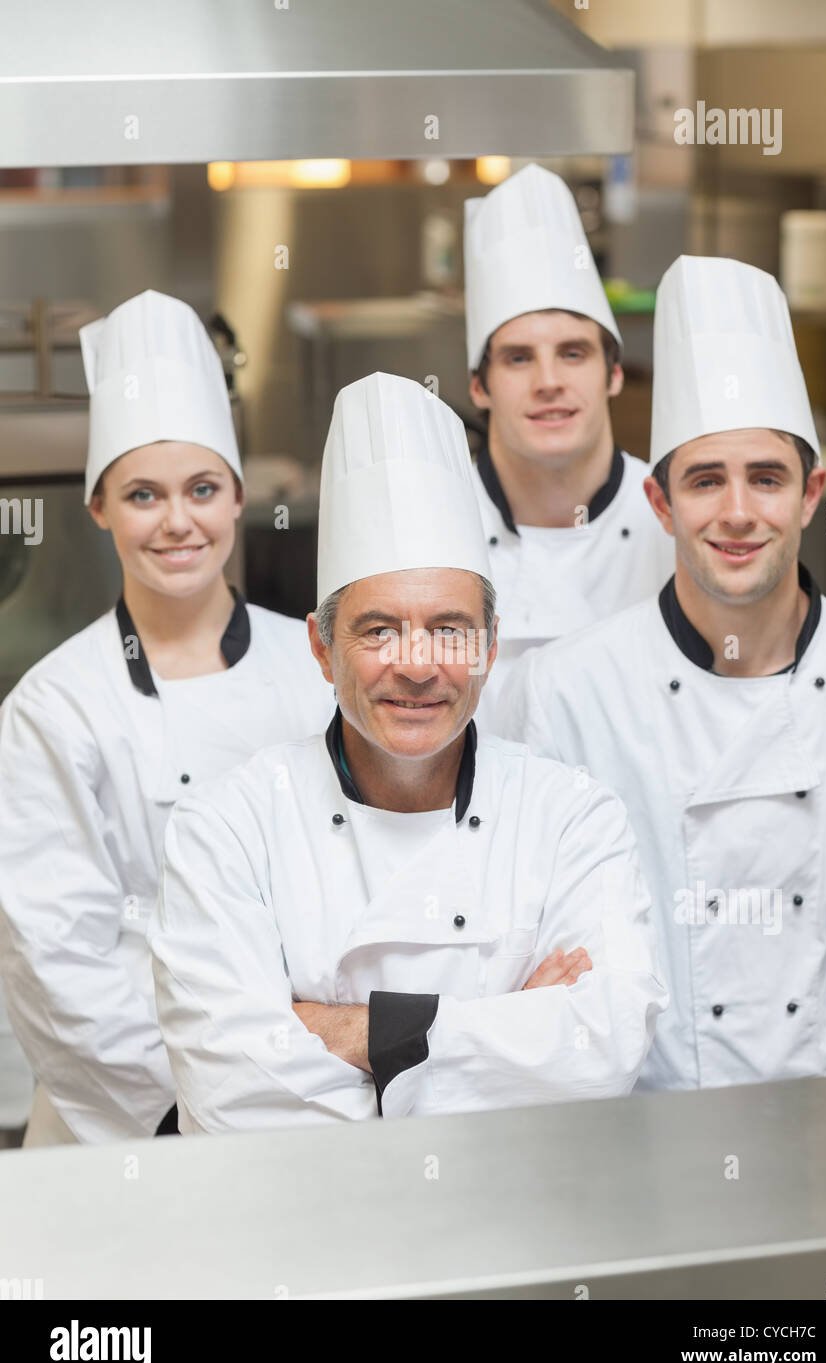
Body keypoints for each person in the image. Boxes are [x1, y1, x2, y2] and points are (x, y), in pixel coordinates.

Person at [149, 372, 666, 1131]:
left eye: (450, 628)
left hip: (519, 1230)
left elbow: (605, 1052)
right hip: (289, 1233)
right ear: (322, 650)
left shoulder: (573, 819)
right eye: (379, 629)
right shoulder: (225, 830)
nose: (419, 664)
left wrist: (343, 1030)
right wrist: (502, 1023)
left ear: (489, 647)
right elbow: (234, 1092)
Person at [496, 255, 826, 1091]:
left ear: (811, 495)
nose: (737, 512)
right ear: (660, 504)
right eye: (705, 481)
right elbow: (519, 942)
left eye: (765, 479)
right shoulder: (564, 693)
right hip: (639, 1132)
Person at [0, 290, 334, 1145]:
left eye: (202, 489)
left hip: (311, 1096)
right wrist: (184, 1109)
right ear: (98, 508)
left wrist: (307, 1067)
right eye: (143, 495)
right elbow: (53, 959)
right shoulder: (53, 706)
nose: (178, 521)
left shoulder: (317, 668)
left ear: (236, 499)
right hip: (126, 1120)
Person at [463, 163, 673, 716]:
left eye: (573, 352)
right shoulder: (431, 522)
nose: (549, 381)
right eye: (518, 358)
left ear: (614, 373)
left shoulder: (681, 521)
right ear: (479, 385)